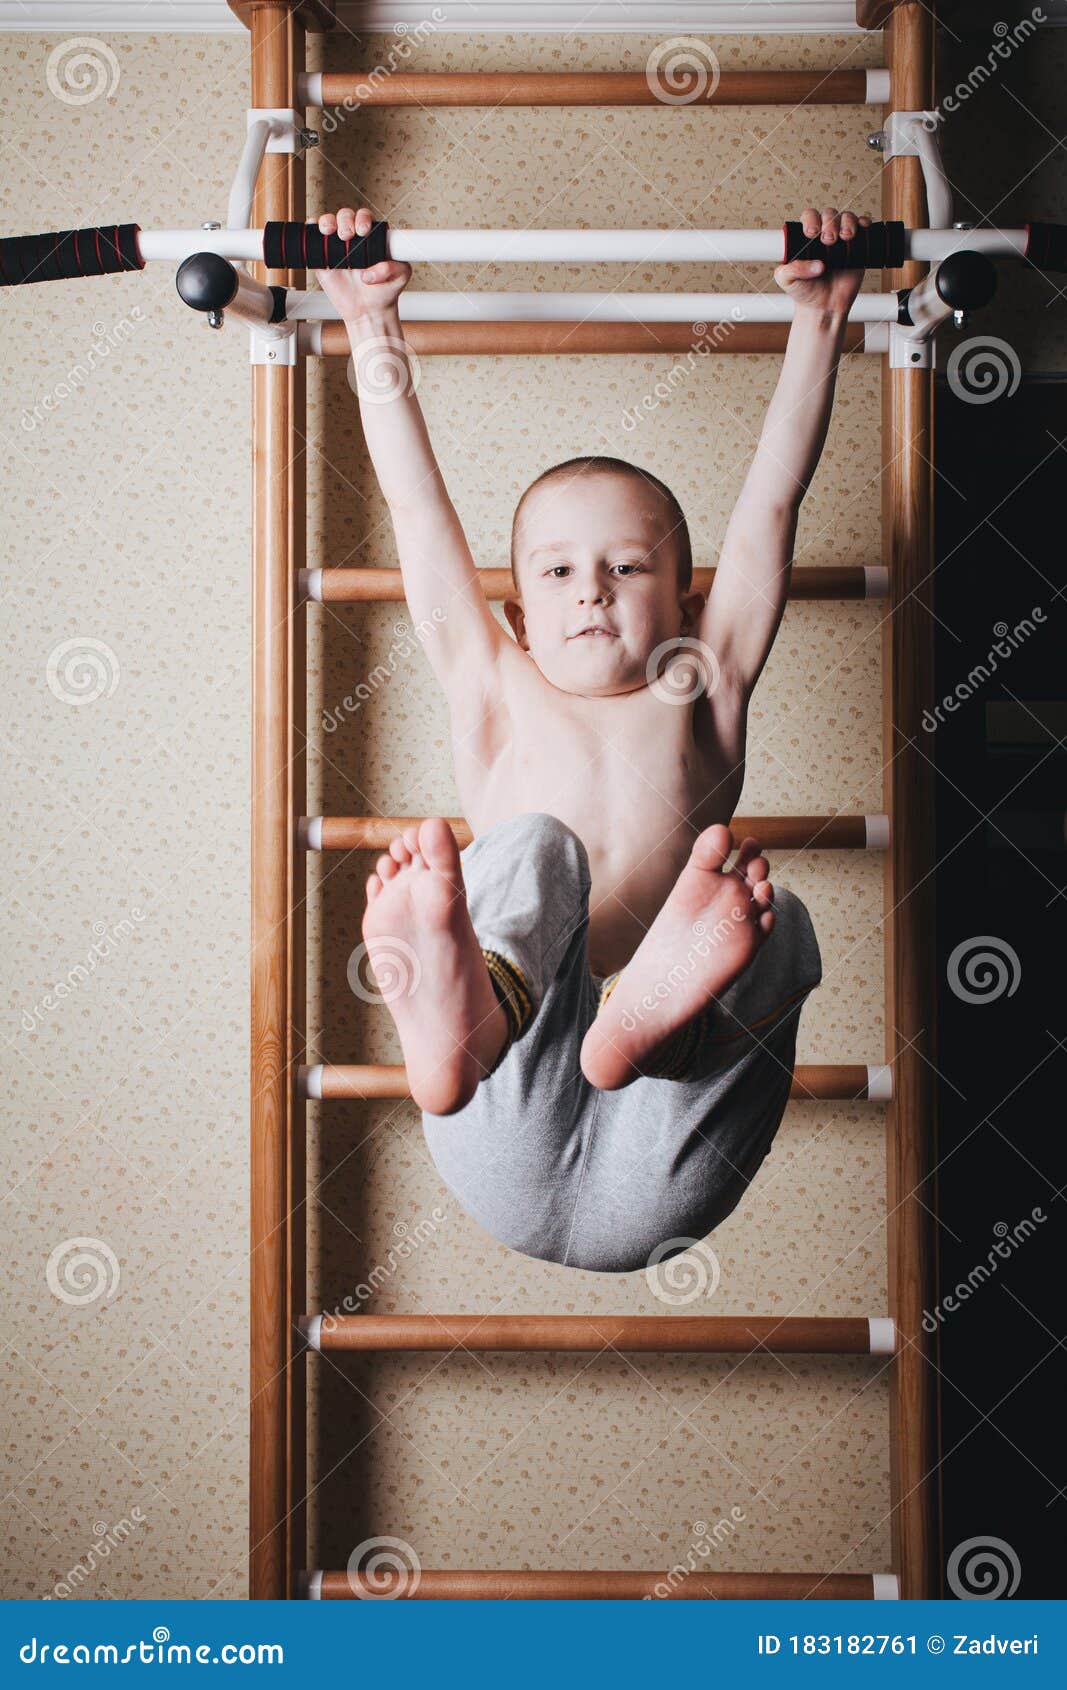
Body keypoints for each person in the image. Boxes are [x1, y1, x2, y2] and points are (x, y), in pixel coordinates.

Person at [315, 204, 869, 1274]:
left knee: (777, 916)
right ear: (517, 615)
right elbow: (421, 521)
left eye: (628, 565)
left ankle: (657, 1024)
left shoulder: (700, 686)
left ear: (685, 602)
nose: (594, 591)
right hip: (494, 1097)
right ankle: (471, 1007)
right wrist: (369, 325)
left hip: (658, 1163)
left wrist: (820, 321)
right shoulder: (495, 684)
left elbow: (769, 503)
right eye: (559, 571)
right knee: (532, 851)